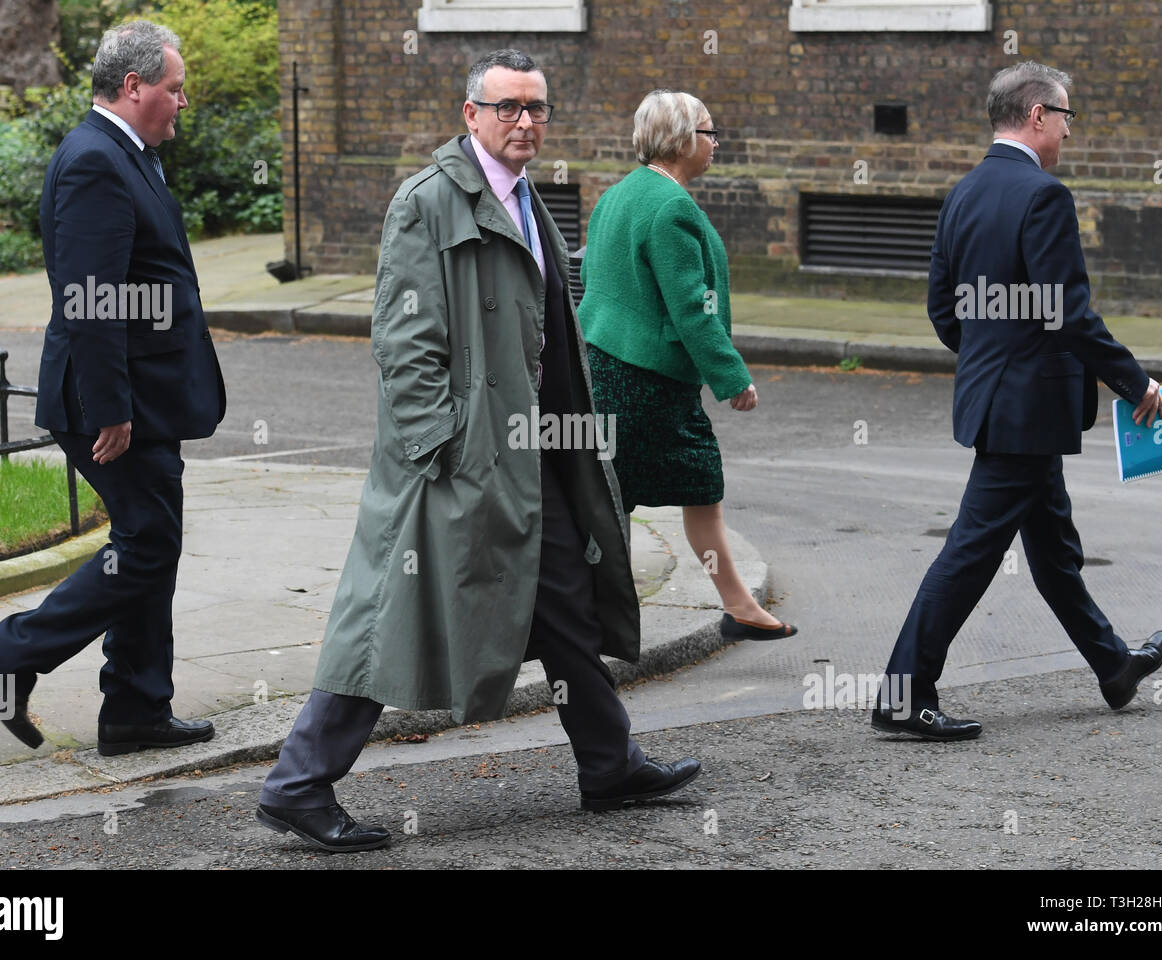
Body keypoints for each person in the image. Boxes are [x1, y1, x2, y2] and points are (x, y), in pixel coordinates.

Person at [256, 49, 700, 854]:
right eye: (507, 108)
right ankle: (297, 784)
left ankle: (609, 764)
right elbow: (402, 340)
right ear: (471, 116)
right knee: (388, 620)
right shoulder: (428, 203)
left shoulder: (531, 200)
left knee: (565, 600)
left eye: (536, 109)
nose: (524, 122)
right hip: (456, 466)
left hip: (535, 456)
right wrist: (442, 448)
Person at [871, 61, 1162, 742]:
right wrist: (1136, 382)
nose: (1068, 130)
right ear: (1037, 115)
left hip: (1003, 401)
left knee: (1054, 551)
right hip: (1026, 409)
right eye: (1066, 116)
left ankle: (1114, 665)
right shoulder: (1044, 196)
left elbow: (944, 310)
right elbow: (1069, 314)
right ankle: (902, 692)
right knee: (971, 551)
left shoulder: (964, 192)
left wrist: (988, 355)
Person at [0, 21, 225, 757]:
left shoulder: (126, 154)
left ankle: (137, 710)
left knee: (150, 543)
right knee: (147, 545)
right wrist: (111, 408)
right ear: (134, 87)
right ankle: (7, 656)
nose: (181, 102)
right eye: (174, 89)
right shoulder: (94, 163)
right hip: (111, 405)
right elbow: (90, 297)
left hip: (145, 397)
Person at [578, 89, 796, 642]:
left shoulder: (620, 193)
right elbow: (692, 309)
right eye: (707, 130)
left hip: (606, 369)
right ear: (679, 140)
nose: (715, 141)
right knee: (695, 485)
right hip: (647, 384)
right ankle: (606, 619)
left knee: (621, 495)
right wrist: (731, 377)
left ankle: (723, 607)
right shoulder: (671, 206)